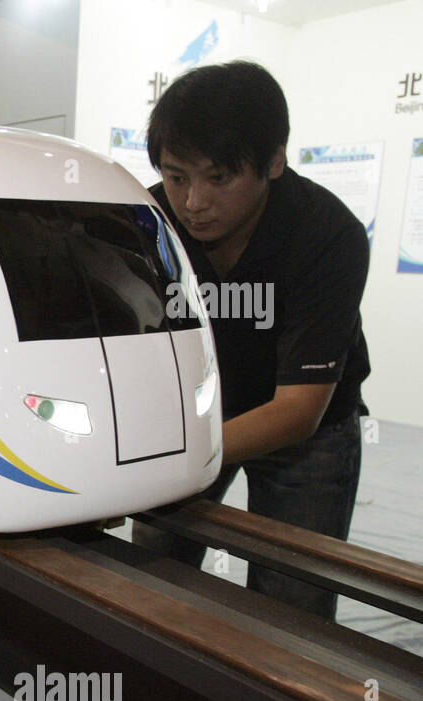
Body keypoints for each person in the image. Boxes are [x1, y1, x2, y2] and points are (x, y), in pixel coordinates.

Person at [133, 61, 371, 620]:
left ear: (274, 162)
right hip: (196, 412)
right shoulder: (146, 222)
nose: (193, 202)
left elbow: (297, 412)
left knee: (293, 604)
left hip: (305, 434)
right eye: (176, 175)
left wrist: (179, 458)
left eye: (219, 178)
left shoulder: (327, 235)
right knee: (154, 577)